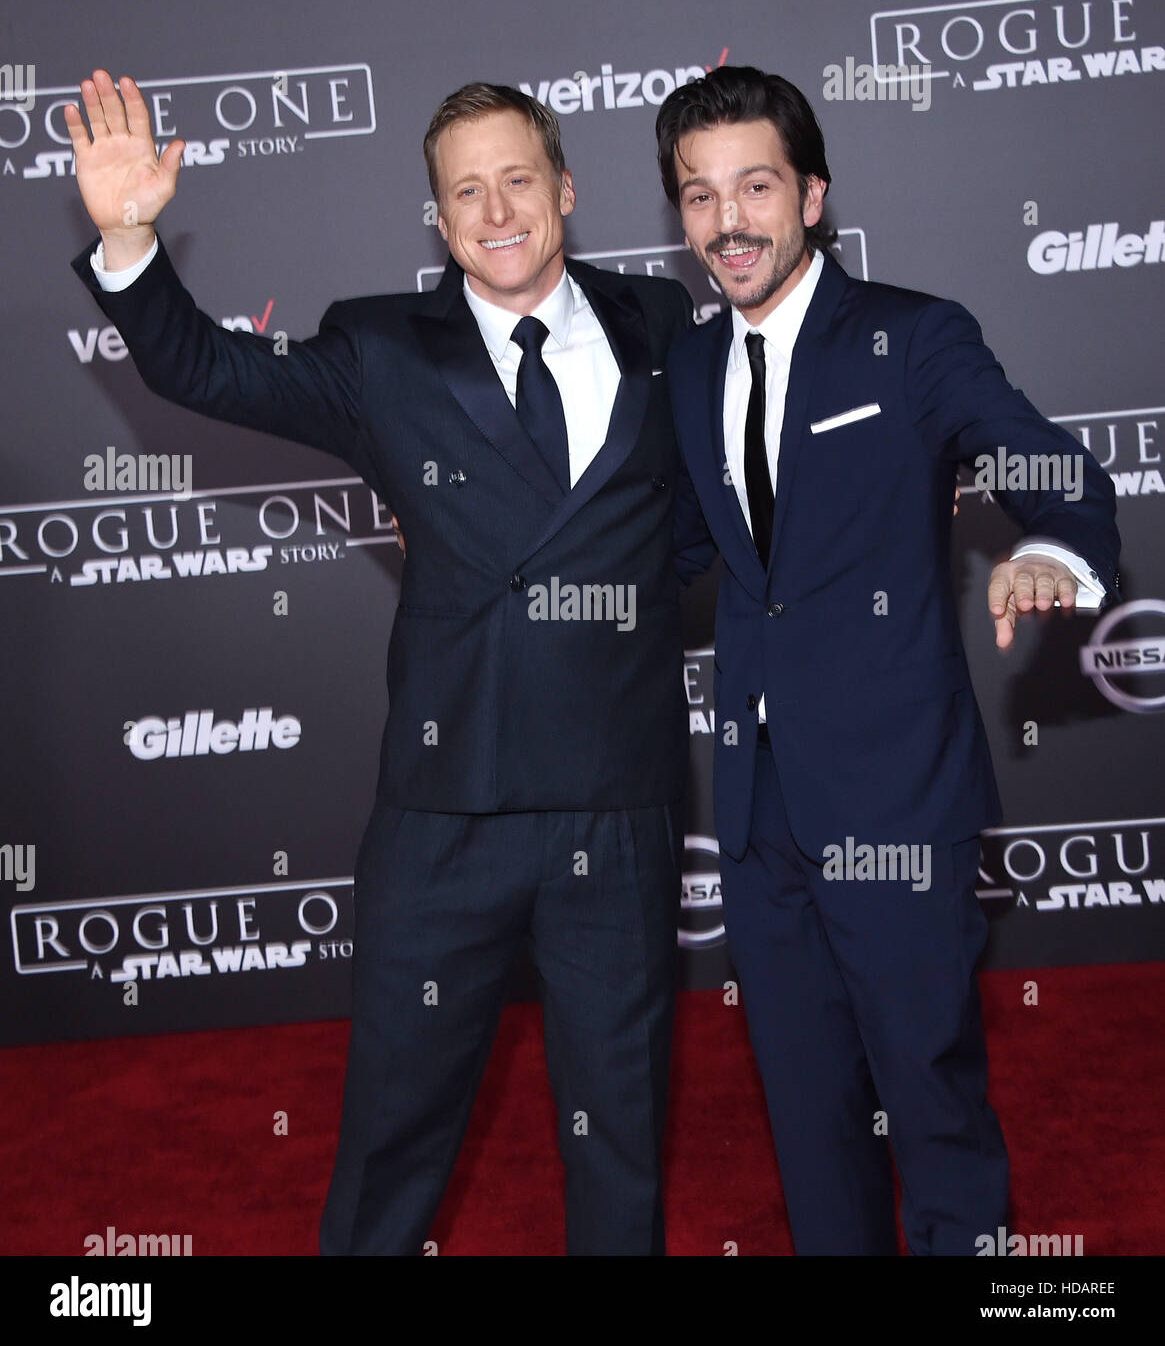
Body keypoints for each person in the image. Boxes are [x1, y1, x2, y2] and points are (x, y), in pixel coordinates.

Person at [65, 69, 707, 1255]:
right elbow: (205, 370)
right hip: (443, 813)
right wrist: (128, 234)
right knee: (393, 1137)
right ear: (440, 220)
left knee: (616, 1132)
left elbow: (710, 510)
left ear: (565, 189)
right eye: (466, 191)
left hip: (614, 804)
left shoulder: (661, 328)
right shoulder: (379, 348)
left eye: (518, 177)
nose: (496, 208)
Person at [655, 65, 1120, 1255]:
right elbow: (666, 550)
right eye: (699, 197)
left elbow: (1046, 471)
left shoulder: (911, 337)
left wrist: (1054, 555)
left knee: (929, 1105)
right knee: (810, 1125)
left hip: (898, 803)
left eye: (754, 186)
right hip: (759, 825)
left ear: (812, 195)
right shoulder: (694, 366)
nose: (729, 222)